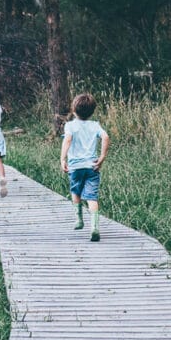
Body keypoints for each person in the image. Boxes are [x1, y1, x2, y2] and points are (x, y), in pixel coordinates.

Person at [60, 92, 110, 241]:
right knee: (92, 197)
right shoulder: (95, 125)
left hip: (75, 167)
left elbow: (67, 140)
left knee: (76, 191)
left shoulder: (70, 125)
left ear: (74, 110)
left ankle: (79, 219)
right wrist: (101, 157)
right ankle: (94, 227)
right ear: (92, 111)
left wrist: (63, 159)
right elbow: (106, 137)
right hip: (92, 167)